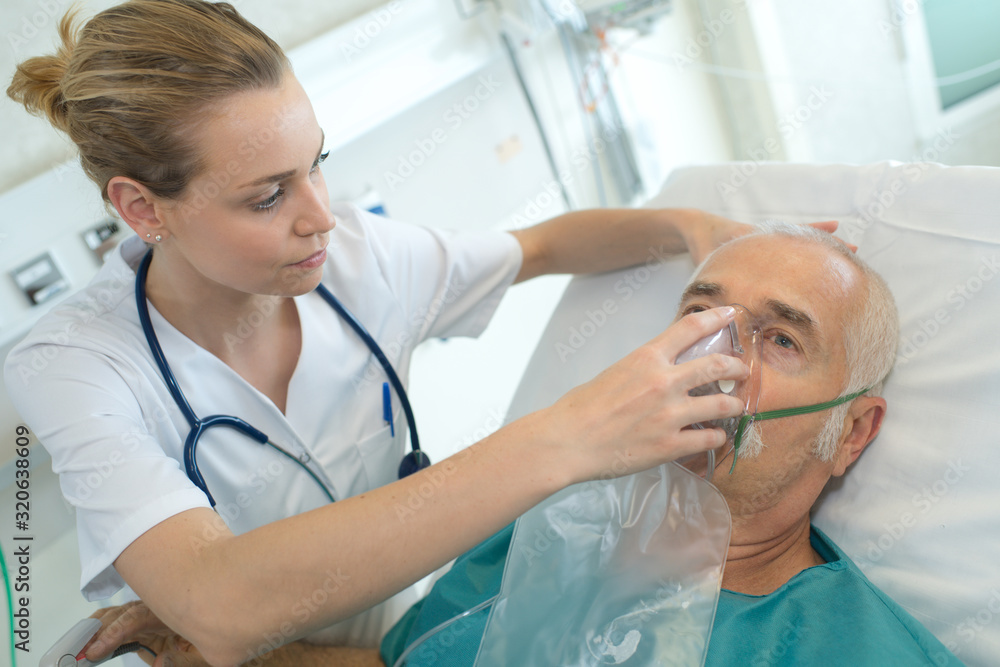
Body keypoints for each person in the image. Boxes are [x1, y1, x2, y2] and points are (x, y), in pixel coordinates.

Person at [1, 1, 820, 665]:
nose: (320, 215)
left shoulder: (360, 259)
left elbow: (542, 247)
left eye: (317, 162)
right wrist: (576, 436)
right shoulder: (76, 363)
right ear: (143, 208)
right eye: (267, 197)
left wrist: (689, 225)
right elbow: (222, 606)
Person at [373, 222, 965, 666]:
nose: (716, 359)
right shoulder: (549, 524)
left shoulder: (864, 651)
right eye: (702, 315)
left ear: (852, 433)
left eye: (781, 339)